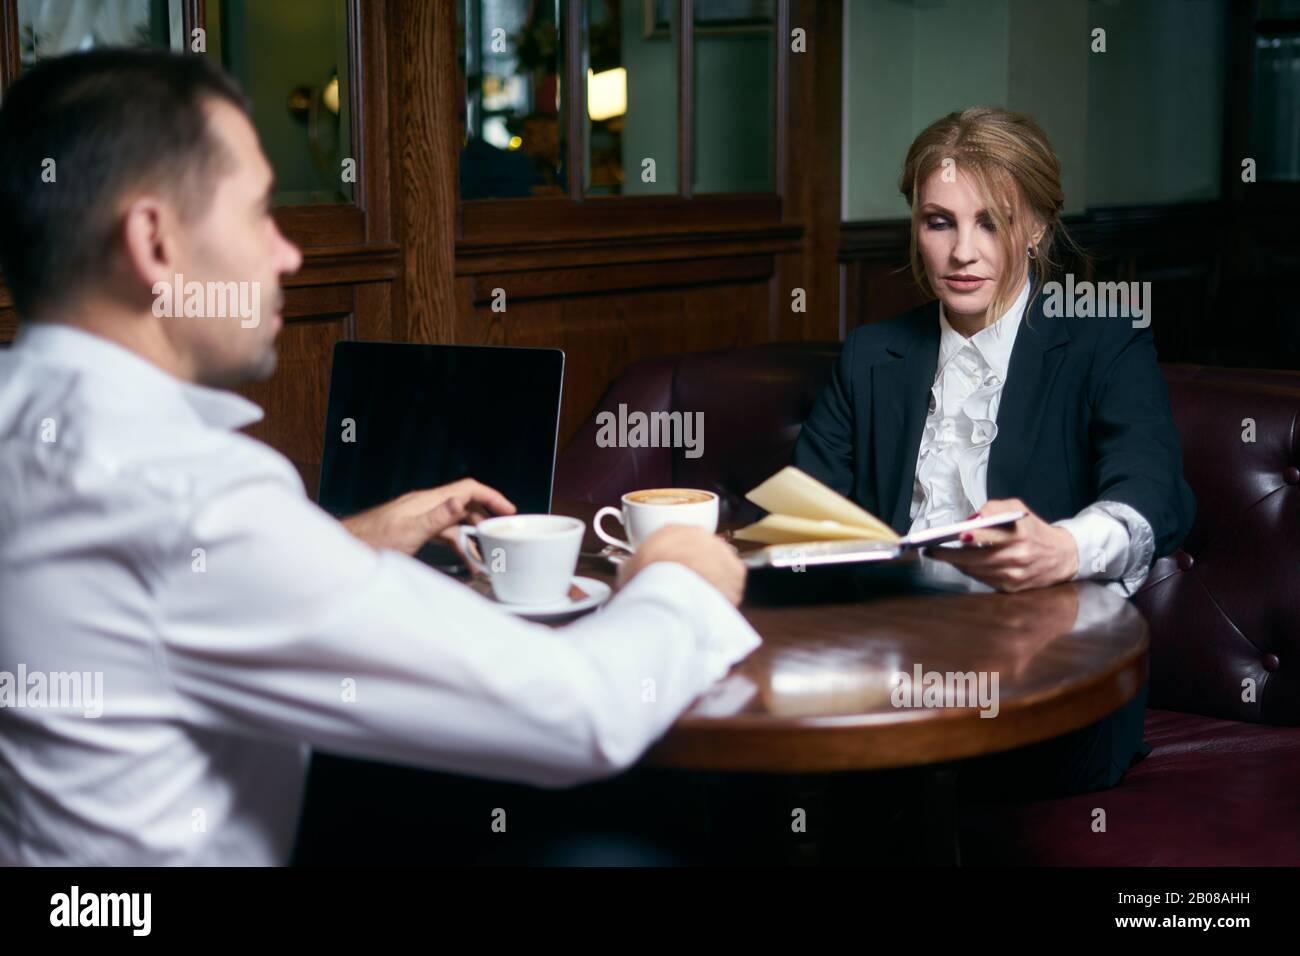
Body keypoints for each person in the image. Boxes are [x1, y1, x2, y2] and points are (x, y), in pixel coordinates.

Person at [0, 49, 759, 865]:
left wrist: (349, 542)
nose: (286, 254)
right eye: (258, 214)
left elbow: (147, 600)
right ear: (154, 241)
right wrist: (681, 575)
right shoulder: (184, 491)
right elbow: (581, 714)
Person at [794, 106, 1195, 797]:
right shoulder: (868, 355)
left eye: (993, 222)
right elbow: (804, 519)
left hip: (1045, 681)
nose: (963, 253)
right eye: (939, 221)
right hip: (887, 674)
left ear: (1036, 227)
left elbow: (1157, 490)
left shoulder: (1104, 338)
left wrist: (1066, 548)